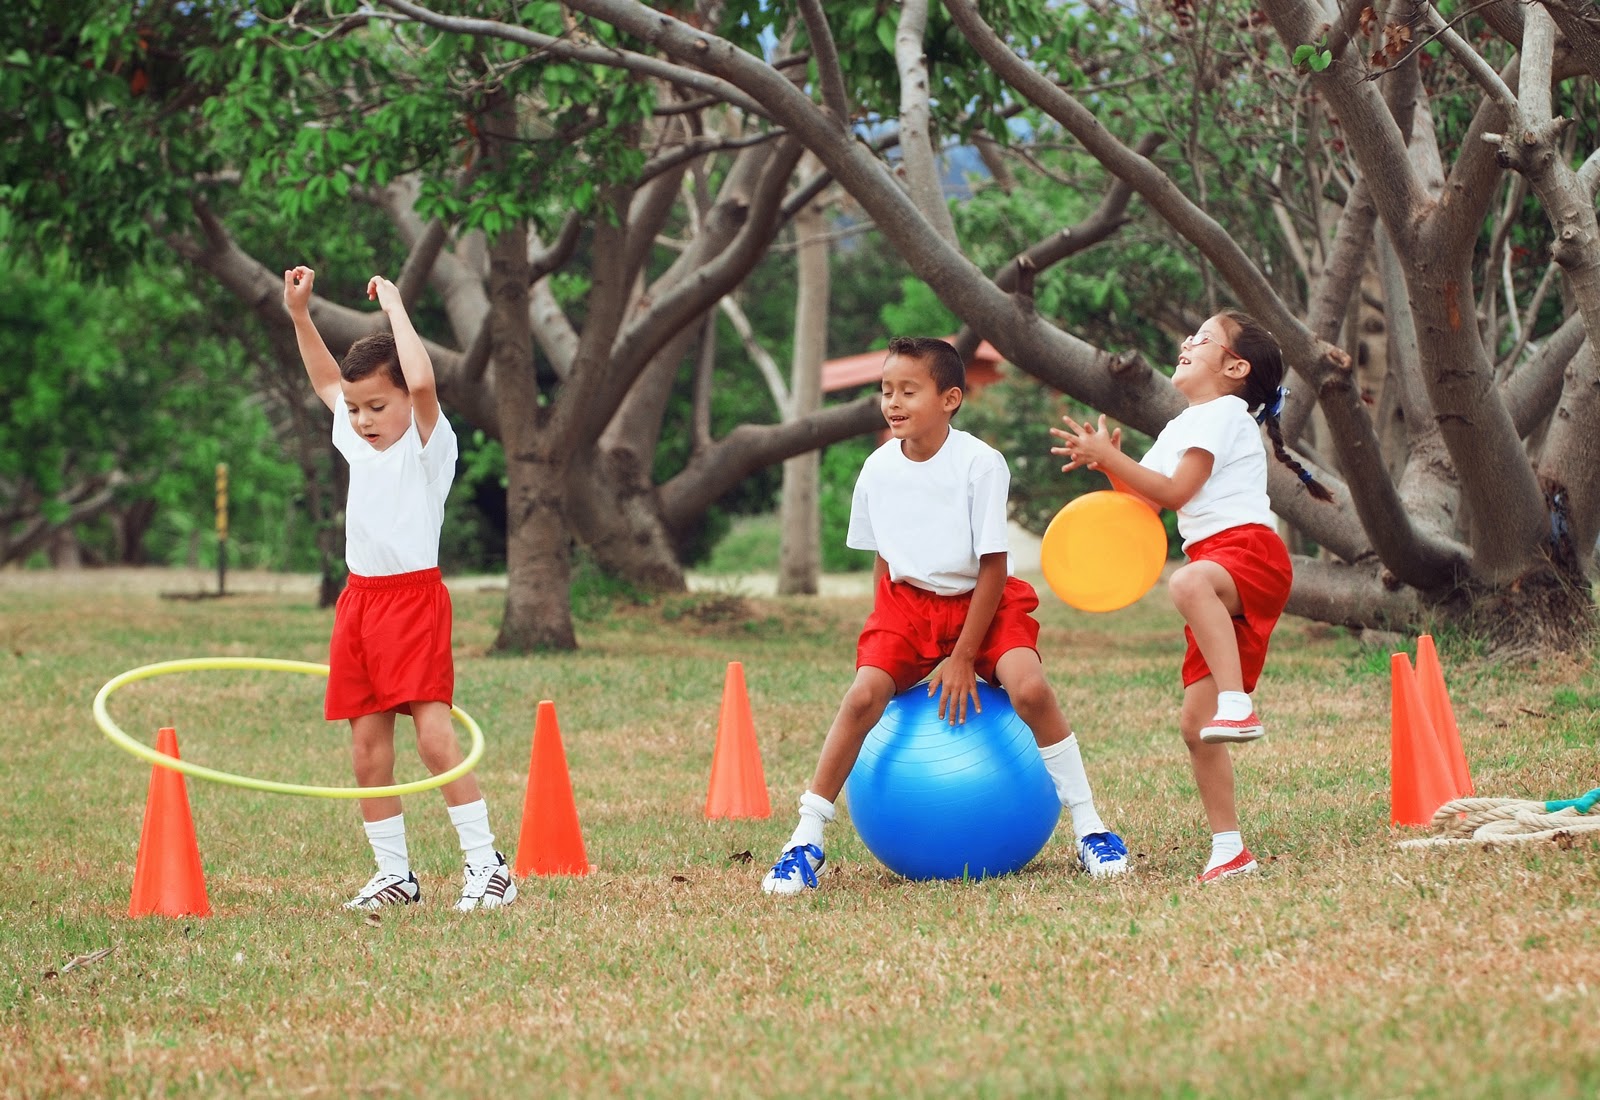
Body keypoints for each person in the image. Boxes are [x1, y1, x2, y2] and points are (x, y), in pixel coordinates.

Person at [762, 336, 1129, 895]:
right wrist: (887, 636)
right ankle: (805, 841)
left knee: (1029, 689)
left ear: (951, 398)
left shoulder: (981, 464)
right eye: (886, 390)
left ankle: (1090, 828)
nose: (894, 402)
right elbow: (883, 558)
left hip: (985, 599)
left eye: (909, 390)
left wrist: (961, 657)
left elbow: (993, 567)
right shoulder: (878, 468)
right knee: (862, 697)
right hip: (907, 606)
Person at [1050, 309, 1332, 884]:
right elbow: (1146, 500)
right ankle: (1230, 850)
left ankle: (1240, 702)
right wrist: (1110, 465)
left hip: (1247, 554)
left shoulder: (1225, 414)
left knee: (1185, 582)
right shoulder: (1183, 426)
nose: (1185, 341)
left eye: (1201, 338)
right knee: (1194, 723)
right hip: (1214, 566)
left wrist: (1112, 459)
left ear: (1235, 367)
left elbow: (1178, 491)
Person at [283, 265, 517, 913]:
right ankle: (396, 875)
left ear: (406, 408)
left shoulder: (425, 444)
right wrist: (301, 315)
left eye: (375, 407)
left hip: (412, 602)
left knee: (435, 739)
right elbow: (329, 380)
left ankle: (488, 865)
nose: (361, 420)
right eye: (356, 410)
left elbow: (419, 379)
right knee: (366, 750)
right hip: (359, 602)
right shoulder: (358, 443)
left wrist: (393, 305)